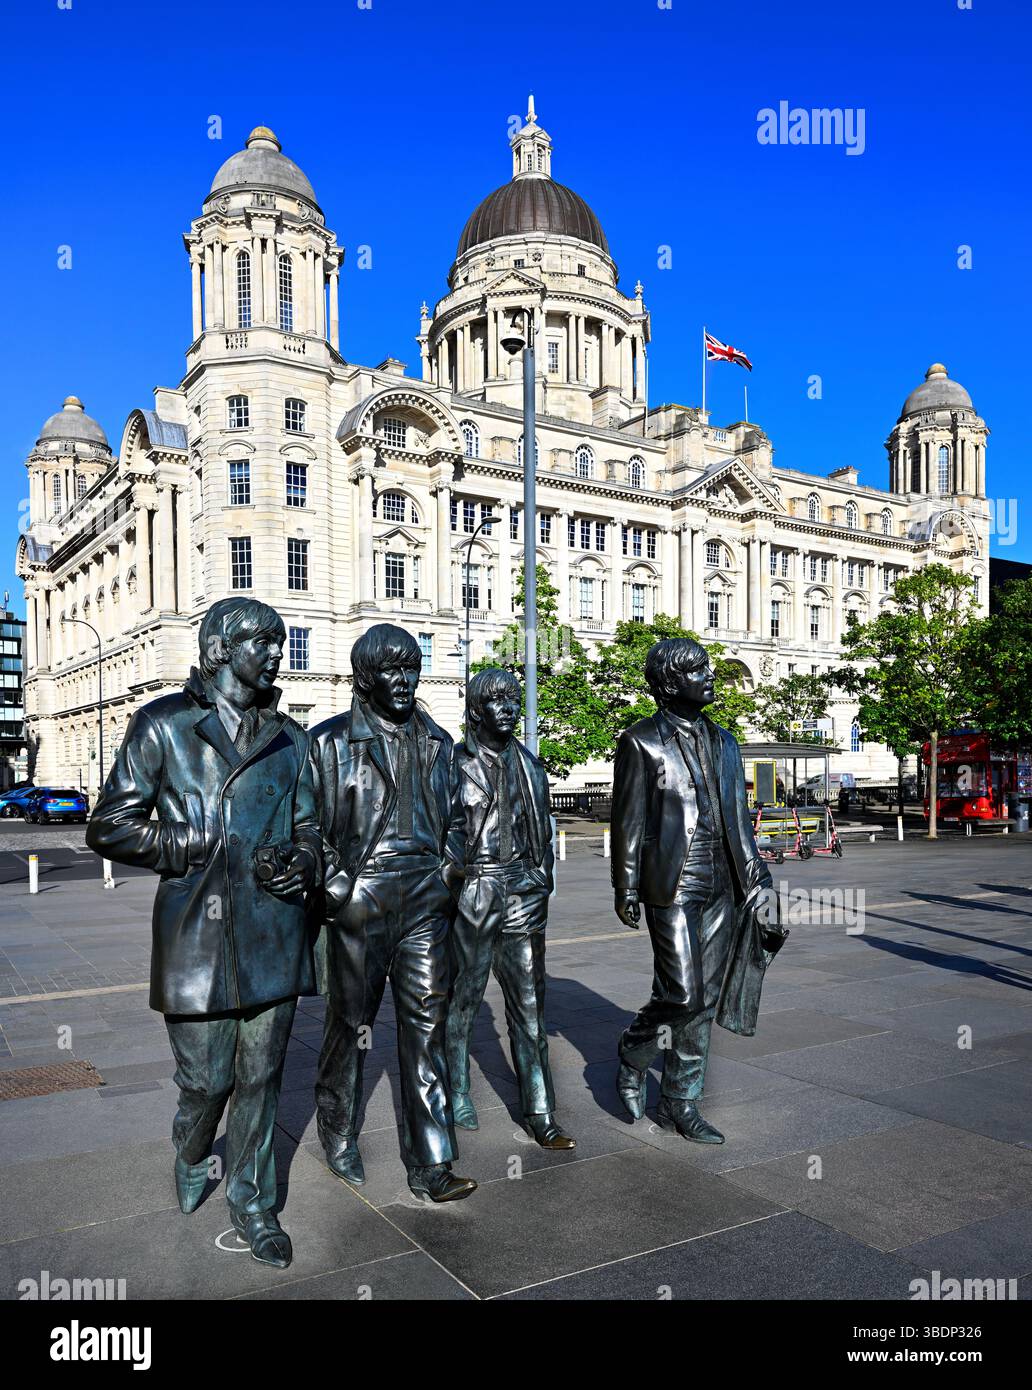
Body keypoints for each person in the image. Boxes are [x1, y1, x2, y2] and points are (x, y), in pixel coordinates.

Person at [86, 598, 321, 1268]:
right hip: (197, 935)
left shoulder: (290, 739)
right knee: (208, 1080)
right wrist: (182, 842)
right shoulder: (163, 725)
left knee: (262, 1076)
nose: (275, 653)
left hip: (274, 931)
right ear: (220, 646)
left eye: (279, 642)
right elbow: (109, 825)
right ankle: (192, 1149)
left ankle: (252, 1202)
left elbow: (312, 831)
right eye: (262, 641)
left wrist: (304, 860)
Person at [309, 624, 476, 1203]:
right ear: (364, 678)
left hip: (427, 900)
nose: (404, 681)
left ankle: (431, 1162)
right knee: (351, 1026)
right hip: (362, 898)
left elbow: (458, 819)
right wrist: (338, 888)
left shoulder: (439, 743)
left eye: (411, 669)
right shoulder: (329, 743)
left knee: (425, 1028)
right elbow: (306, 827)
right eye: (391, 671)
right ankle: (337, 1125)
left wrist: (450, 871)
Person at [610, 636, 781, 1143]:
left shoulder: (726, 742)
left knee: (703, 999)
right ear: (668, 683)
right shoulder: (642, 741)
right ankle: (634, 1048)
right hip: (672, 881)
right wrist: (626, 884)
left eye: (707, 667)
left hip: (725, 881)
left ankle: (681, 1103)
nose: (710, 676)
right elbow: (628, 820)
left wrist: (758, 877)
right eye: (697, 670)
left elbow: (740, 820)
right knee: (681, 991)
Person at [445, 668, 574, 1150]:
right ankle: (456, 1087)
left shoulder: (531, 767)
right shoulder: (452, 766)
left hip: (522, 892)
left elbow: (542, 834)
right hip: (474, 892)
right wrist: (456, 876)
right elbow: (441, 834)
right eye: (496, 699)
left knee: (530, 1008)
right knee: (462, 998)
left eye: (513, 698)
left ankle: (540, 1111)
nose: (508, 707)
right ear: (477, 709)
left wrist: (540, 880)